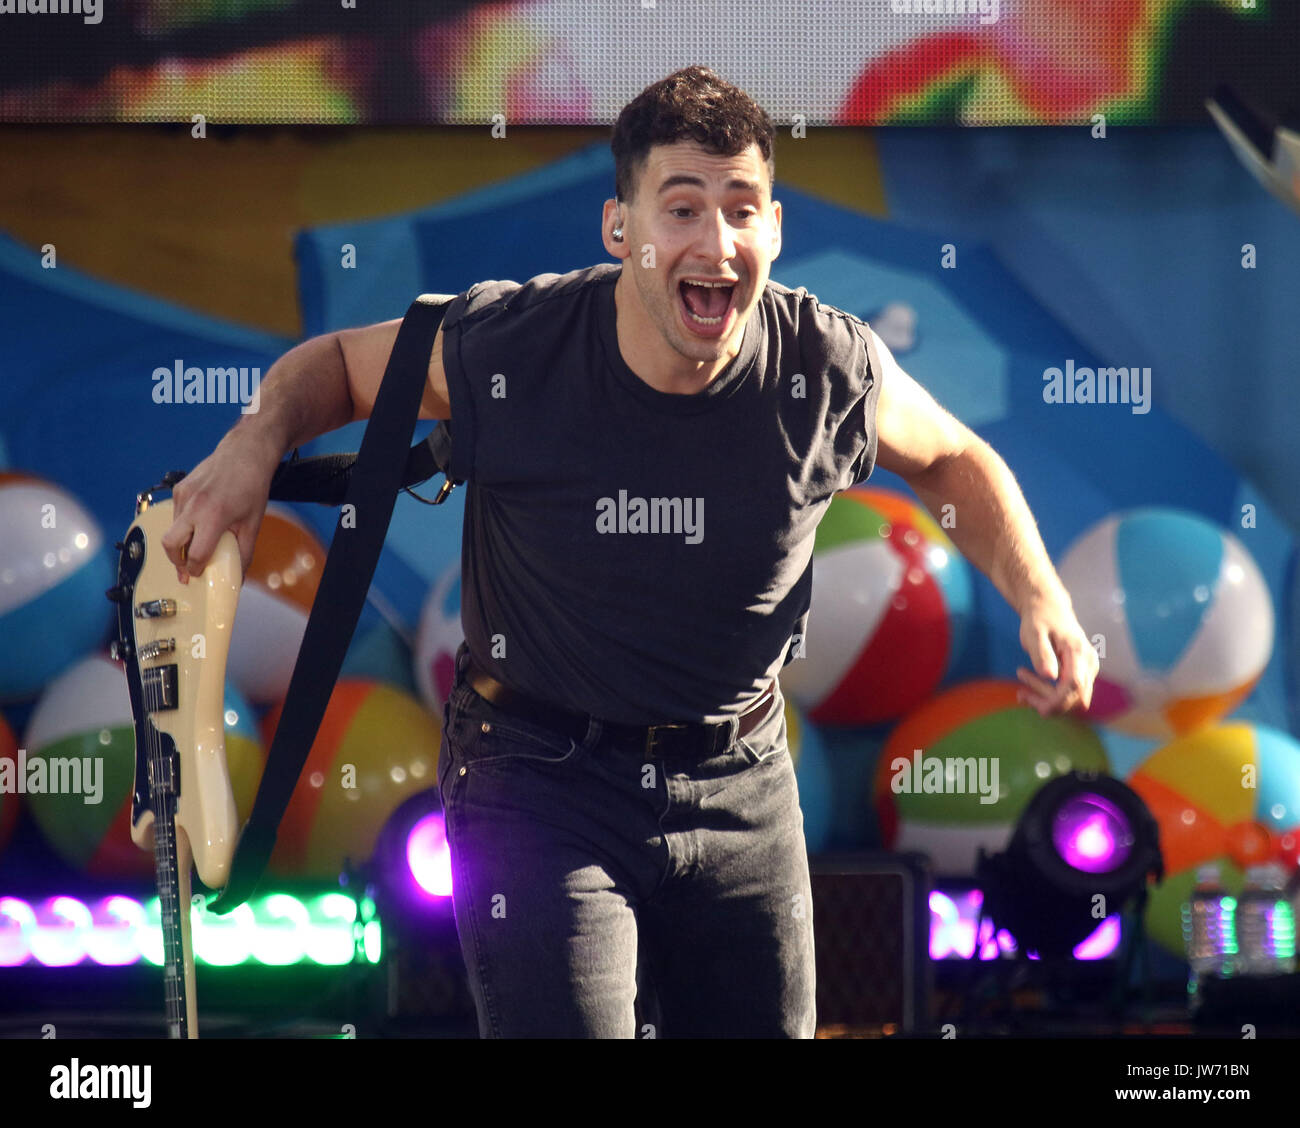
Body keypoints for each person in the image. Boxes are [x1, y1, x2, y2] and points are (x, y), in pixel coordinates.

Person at [162, 66, 1098, 1038]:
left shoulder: (824, 366)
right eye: (682, 208)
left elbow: (954, 459)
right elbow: (340, 368)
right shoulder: (515, 344)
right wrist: (251, 444)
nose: (716, 243)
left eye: (742, 210)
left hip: (740, 784)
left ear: (775, 230)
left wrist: (1040, 596)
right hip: (538, 778)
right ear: (621, 230)